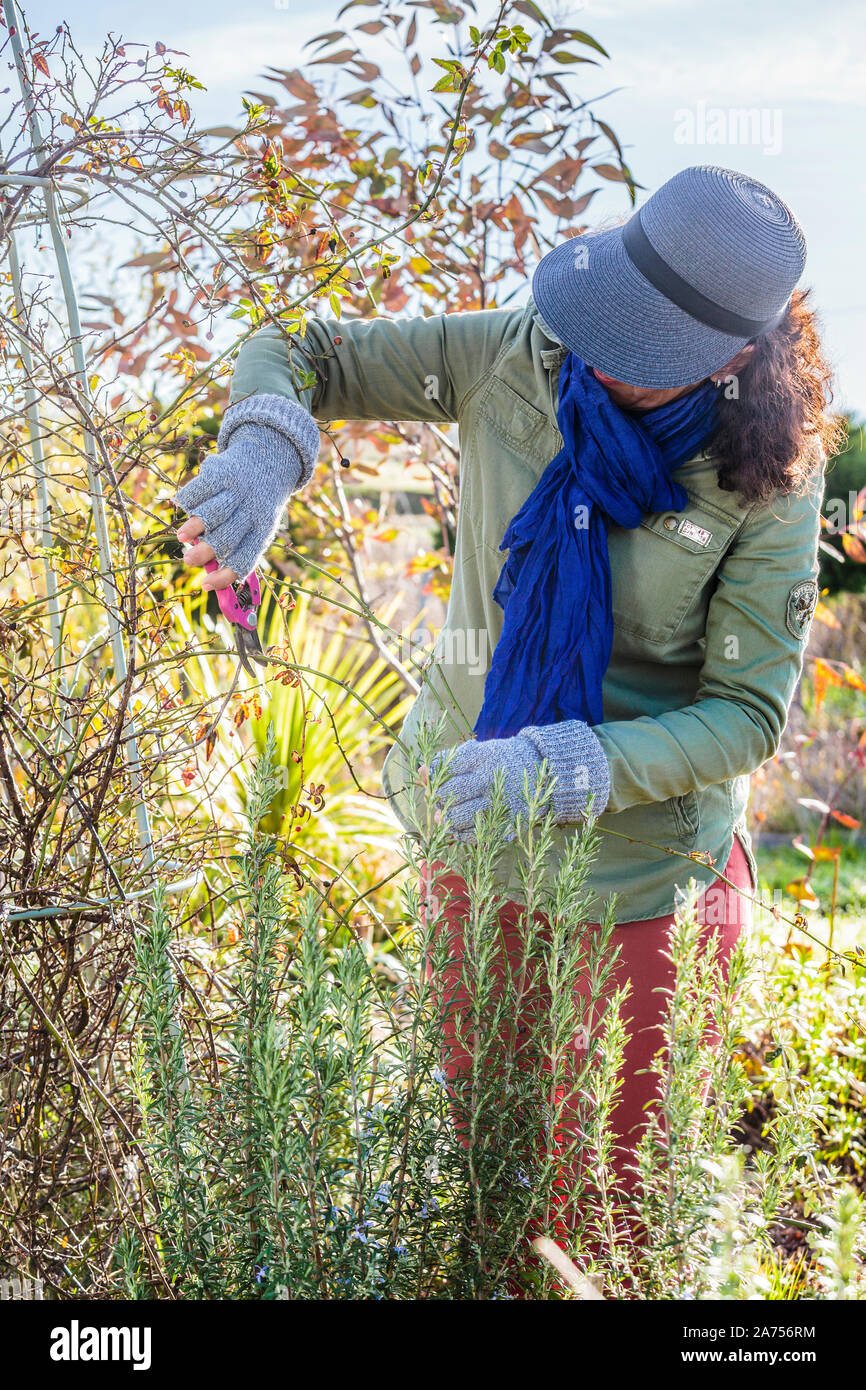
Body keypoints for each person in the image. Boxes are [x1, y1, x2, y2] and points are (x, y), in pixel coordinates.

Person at [175, 165, 837, 1222]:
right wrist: (265, 449)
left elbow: (746, 714)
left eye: (641, 351)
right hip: (474, 825)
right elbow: (303, 347)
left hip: (638, 871)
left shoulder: (768, 478)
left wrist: (570, 765)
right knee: (495, 1170)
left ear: (727, 361)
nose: (597, 353)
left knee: (611, 1210)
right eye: (605, 320)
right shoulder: (511, 354)